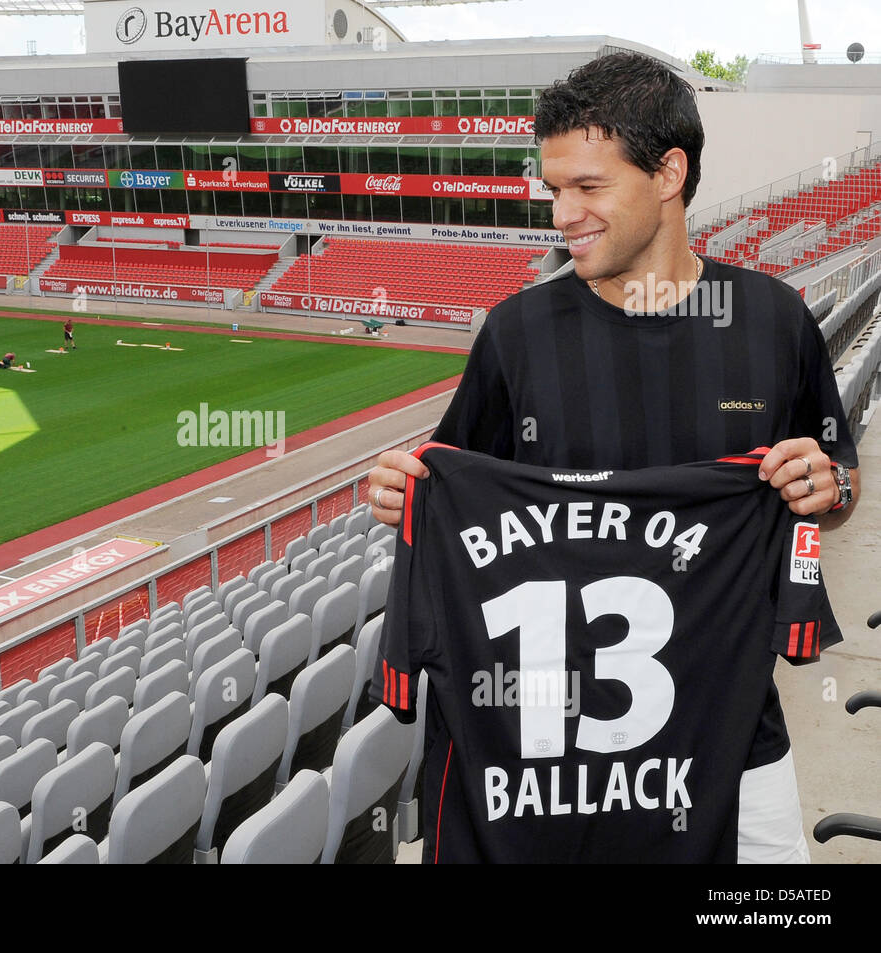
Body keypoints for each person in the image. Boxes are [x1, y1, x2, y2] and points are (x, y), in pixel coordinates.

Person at [366, 52, 861, 864]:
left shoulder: (772, 320)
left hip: (739, 748)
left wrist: (827, 483)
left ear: (669, 173)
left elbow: (840, 478)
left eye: (588, 188)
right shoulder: (516, 335)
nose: (562, 214)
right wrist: (404, 488)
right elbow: (447, 482)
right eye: (553, 188)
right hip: (548, 769)